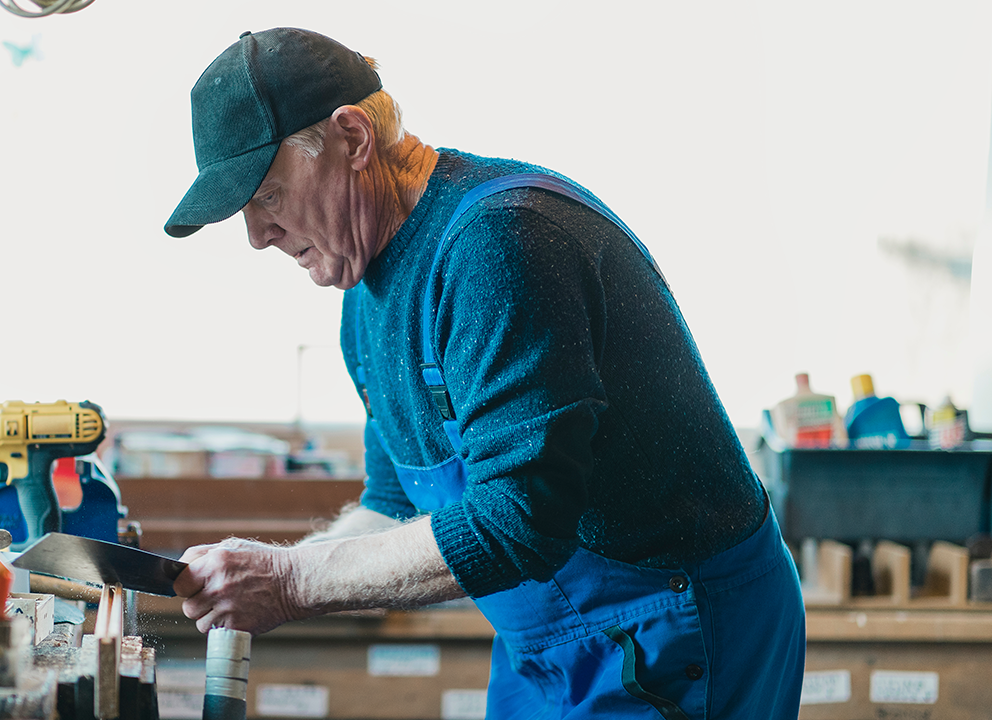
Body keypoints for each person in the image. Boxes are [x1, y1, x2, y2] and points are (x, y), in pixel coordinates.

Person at [163, 27, 805, 719]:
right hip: (549, 647)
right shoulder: (365, 295)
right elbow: (393, 507)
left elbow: (516, 522)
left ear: (352, 139)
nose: (258, 236)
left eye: (267, 196)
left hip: (675, 627)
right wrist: (257, 574)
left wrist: (291, 580)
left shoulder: (500, 243)